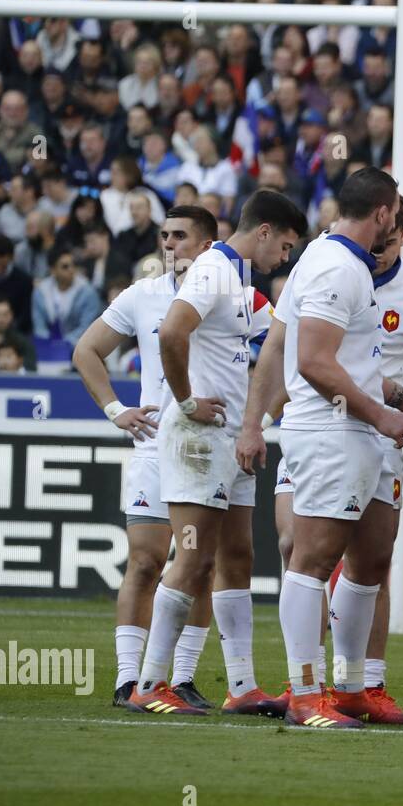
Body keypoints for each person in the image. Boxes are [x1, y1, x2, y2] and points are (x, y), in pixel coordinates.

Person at [239, 195, 403, 724]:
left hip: (366, 428)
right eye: (395, 225)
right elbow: (308, 361)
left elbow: (353, 362)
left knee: (372, 556)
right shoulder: (335, 265)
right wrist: (381, 415)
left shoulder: (340, 264)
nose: (395, 236)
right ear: (381, 216)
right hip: (334, 430)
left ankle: (352, 687)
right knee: (310, 558)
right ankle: (306, 694)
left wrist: (400, 398)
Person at [74, 206, 282, 713]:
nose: (170, 245)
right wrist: (116, 410)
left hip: (216, 444)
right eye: (165, 236)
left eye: (181, 235)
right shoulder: (142, 296)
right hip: (160, 445)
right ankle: (133, 680)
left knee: (215, 560)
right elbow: (87, 351)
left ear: (208, 241)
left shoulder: (237, 291)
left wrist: (263, 420)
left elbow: (279, 352)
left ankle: (186, 677)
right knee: (148, 561)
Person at [125, 190, 305, 716]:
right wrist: (183, 401)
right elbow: (171, 331)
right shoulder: (215, 269)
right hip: (200, 438)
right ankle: (150, 683)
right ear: (265, 231)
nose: (284, 259)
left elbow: (277, 346)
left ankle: (242, 686)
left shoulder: (239, 279)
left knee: (236, 557)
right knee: (193, 557)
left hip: (231, 437)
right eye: (286, 246)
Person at [32, 248, 103, 347]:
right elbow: (39, 327)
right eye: (65, 267)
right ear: (53, 270)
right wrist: (50, 342)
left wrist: (63, 343)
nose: (71, 270)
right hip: (48, 347)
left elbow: (87, 327)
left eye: (73, 265)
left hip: (79, 346)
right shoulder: (40, 292)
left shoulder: (88, 292)